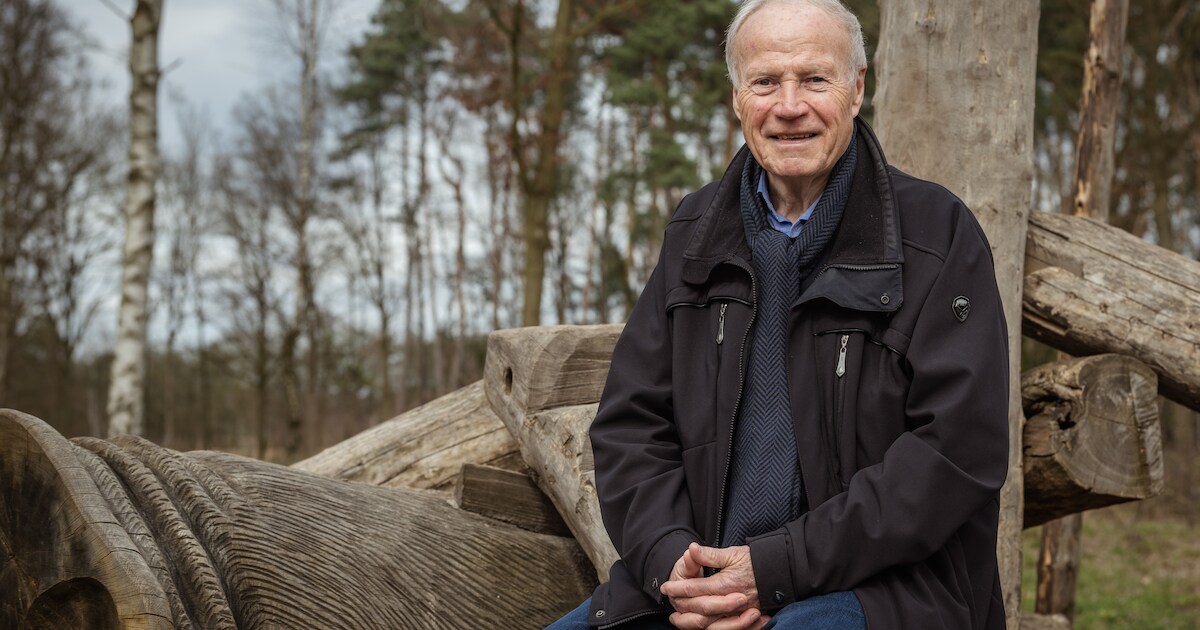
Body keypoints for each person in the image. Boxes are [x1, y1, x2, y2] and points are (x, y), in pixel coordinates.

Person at [547, 0, 1009, 628]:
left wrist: (776, 571)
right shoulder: (695, 232)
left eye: (815, 79)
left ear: (856, 90)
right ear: (738, 98)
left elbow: (954, 453)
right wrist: (671, 559)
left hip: (884, 590)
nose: (789, 106)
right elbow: (631, 425)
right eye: (765, 81)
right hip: (699, 585)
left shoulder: (936, 235)